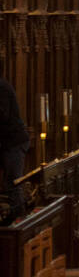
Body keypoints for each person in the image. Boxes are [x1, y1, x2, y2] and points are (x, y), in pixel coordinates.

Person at [0, 72, 30, 221]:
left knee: (13, 183)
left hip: (14, 142)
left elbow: (2, 115)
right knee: (11, 184)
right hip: (8, 142)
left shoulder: (2, 87)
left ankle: (18, 225)